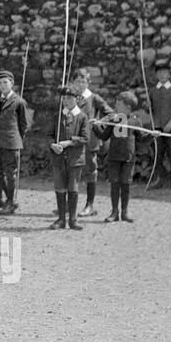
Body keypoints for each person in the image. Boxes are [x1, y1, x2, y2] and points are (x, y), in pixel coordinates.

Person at [96, 91, 153, 222]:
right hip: (114, 157)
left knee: (126, 184)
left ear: (128, 107)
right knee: (114, 183)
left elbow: (142, 139)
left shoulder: (135, 121)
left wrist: (152, 135)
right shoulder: (114, 119)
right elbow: (104, 136)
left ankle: (125, 212)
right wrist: (95, 127)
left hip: (128, 157)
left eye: (119, 103)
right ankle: (114, 212)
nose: (115, 104)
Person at [71, 68, 112, 217]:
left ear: (88, 83)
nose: (80, 84)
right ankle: (71, 203)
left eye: (83, 82)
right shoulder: (71, 97)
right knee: (72, 170)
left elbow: (111, 113)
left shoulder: (94, 98)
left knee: (90, 171)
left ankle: (90, 205)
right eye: (77, 81)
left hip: (90, 140)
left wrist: (100, 121)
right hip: (73, 140)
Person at [48, 85, 89, 230]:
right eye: (64, 98)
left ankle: (73, 220)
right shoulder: (57, 116)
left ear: (77, 99)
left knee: (73, 188)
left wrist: (69, 142)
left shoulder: (82, 117)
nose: (66, 101)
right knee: (60, 188)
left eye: (69, 98)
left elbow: (85, 138)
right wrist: (53, 145)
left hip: (75, 159)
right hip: (58, 159)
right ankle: (60, 219)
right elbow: (48, 136)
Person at [0, 69, 30, 216]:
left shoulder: (19, 102)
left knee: (10, 173)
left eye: (5, 82)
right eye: (0, 83)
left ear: (12, 83)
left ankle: (10, 202)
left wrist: (17, 141)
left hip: (12, 143)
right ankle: (10, 200)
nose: (2, 85)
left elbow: (24, 125)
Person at [149, 57, 171, 189]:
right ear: (156, 75)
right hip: (157, 128)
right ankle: (159, 179)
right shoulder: (153, 91)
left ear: (169, 75)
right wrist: (147, 105)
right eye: (160, 73)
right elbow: (150, 108)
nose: (162, 75)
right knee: (158, 154)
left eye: (165, 73)